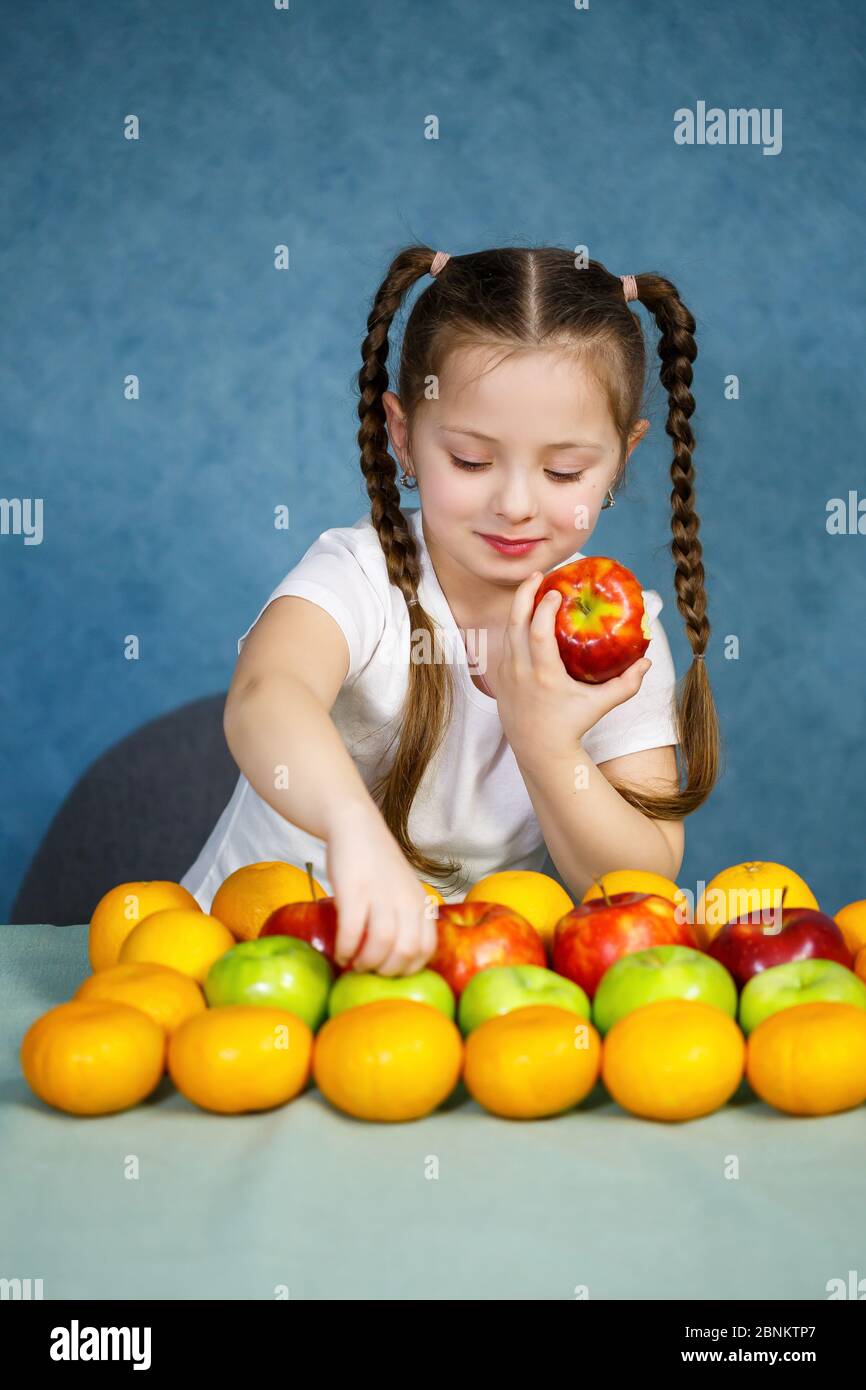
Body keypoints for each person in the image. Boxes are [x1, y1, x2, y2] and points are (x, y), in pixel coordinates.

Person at [180, 246, 720, 977]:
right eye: (471, 460)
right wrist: (351, 830)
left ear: (621, 457)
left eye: (565, 471)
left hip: (439, 995)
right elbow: (263, 695)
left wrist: (544, 742)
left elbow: (639, 878)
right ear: (403, 435)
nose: (518, 504)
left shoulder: (622, 631)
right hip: (250, 964)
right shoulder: (360, 575)